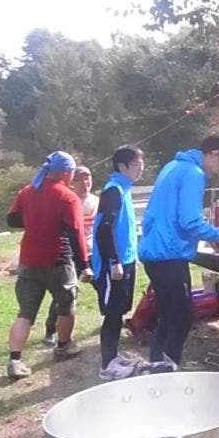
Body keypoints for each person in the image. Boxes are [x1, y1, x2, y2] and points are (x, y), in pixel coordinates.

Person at [138, 136, 219, 365]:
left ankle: (157, 368)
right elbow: (189, 221)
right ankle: (167, 371)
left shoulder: (173, 166)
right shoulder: (194, 174)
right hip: (169, 255)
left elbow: (172, 214)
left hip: (155, 252)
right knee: (181, 318)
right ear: (214, 154)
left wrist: (212, 238)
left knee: (167, 317)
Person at [5, 151, 92, 379]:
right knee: (66, 305)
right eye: (72, 172)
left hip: (28, 261)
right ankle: (63, 347)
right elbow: (76, 234)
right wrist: (84, 265)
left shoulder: (27, 191)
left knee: (25, 312)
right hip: (58, 260)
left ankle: (14, 361)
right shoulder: (67, 196)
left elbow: (12, 219)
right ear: (66, 172)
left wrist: (35, 220)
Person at [92, 146, 144, 379]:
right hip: (113, 264)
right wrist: (114, 262)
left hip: (127, 260)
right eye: (135, 164)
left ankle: (113, 355)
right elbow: (104, 230)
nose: (140, 167)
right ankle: (106, 365)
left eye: (141, 163)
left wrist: (131, 258)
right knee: (112, 313)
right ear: (122, 167)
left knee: (120, 310)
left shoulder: (125, 189)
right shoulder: (113, 191)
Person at [44, 165, 99, 345]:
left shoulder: (98, 201)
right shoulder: (66, 200)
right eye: (80, 179)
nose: (85, 182)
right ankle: (51, 330)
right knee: (64, 294)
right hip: (70, 254)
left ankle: (110, 317)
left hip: (93, 252)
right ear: (72, 182)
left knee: (103, 287)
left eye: (88, 178)